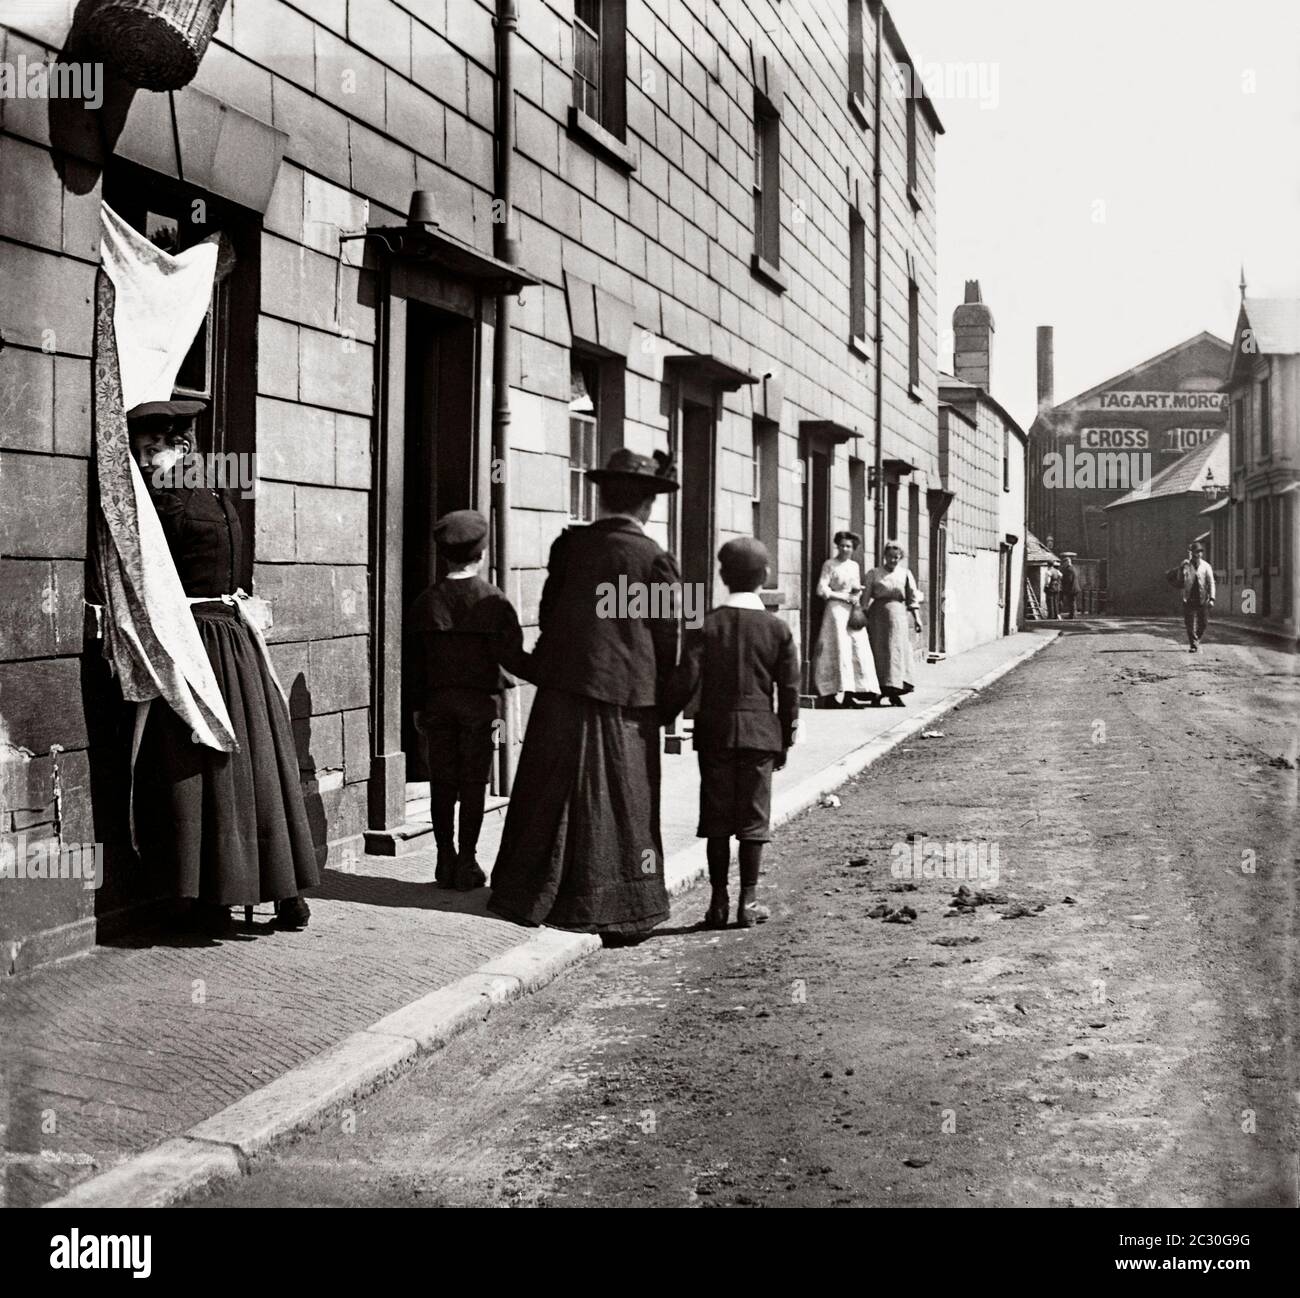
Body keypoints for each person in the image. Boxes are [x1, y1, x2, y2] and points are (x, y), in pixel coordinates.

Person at [127, 400, 318, 935]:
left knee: (205, 766)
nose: (144, 463)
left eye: (153, 451)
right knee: (261, 766)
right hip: (236, 636)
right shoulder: (221, 496)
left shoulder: (167, 503)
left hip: (198, 640)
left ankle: (212, 898)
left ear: (181, 448)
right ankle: (287, 894)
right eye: (139, 453)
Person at [488, 449, 681, 943]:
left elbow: (549, 616)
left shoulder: (569, 547)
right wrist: (671, 701)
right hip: (626, 700)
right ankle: (619, 902)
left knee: (550, 789)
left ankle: (528, 890)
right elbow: (671, 637)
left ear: (603, 496)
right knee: (622, 800)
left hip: (563, 691)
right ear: (648, 504)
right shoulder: (655, 559)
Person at [662, 538, 799, 930]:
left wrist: (658, 717)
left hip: (716, 735)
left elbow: (685, 680)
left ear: (723, 577)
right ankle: (749, 902)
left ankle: (718, 902)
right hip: (760, 735)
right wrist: (786, 739)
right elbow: (788, 692)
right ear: (765, 577)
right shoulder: (777, 630)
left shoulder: (705, 624)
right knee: (754, 821)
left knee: (718, 820)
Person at [407, 509, 531, 891]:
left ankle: (444, 859)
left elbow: (413, 664)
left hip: (437, 705)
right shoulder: (494, 602)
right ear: (481, 554)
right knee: (475, 783)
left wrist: (417, 707)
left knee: (442, 783)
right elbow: (513, 658)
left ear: (443, 554)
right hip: (482, 708)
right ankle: (467, 861)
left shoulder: (426, 602)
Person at [811, 531, 879, 707]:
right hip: (835, 612)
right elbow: (821, 589)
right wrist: (842, 597)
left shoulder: (854, 566)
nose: (845, 549)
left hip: (852, 612)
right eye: (842, 545)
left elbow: (856, 586)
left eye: (848, 546)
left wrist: (857, 593)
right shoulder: (830, 564)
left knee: (856, 649)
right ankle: (830, 695)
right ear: (837, 546)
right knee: (837, 650)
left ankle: (851, 694)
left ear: (853, 548)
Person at [861, 540, 923, 707]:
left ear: (900, 557)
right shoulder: (874, 573)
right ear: (884, 556)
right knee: (879, 652)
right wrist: (862, 616)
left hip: (898, 618)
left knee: (897, 654)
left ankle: (895, 692)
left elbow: (912, 598)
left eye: (896, 557)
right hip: (878, 618)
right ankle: (877, 692)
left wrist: (917, 619)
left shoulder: (905, 574)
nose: (893, 560)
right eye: (890, 557)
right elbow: (865, 598)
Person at [1171, 540, 1215, 653]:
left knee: (1203, 624)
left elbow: (1211, 582)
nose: (1199, 554)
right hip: (1189, 597)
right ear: (1192, 553)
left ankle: (1196, 640)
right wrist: (1182, 568)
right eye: (1196, 552)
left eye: (1200, 552)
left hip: (1202, 598)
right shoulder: (1186, 565)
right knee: (1189, 624)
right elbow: (1180, 580)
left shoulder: (1206, 566)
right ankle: (1193, 644)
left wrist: (1212, 598)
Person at [1058, 555, 1079, 619]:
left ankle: (1072, 615)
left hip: (1071, 589)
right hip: (1074, 588)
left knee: (1071, 602)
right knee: (1073, 602)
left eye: (1064, 563)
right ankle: (1073, 615)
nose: (1063, 565)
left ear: (1067, 562)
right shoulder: (1073, 568)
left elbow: (1069, 580)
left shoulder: (1069, 569)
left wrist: (1062, 582)